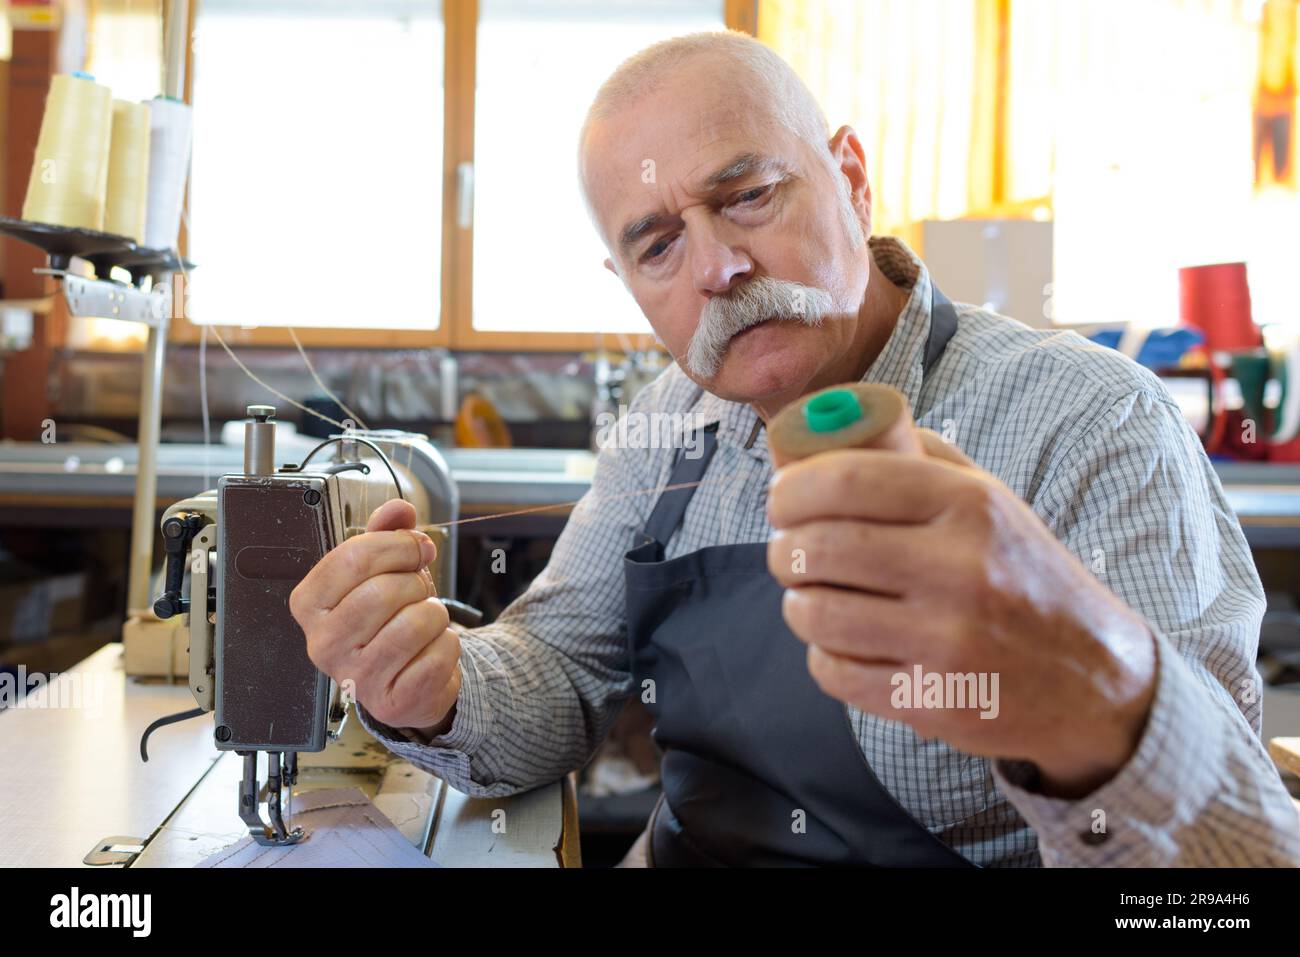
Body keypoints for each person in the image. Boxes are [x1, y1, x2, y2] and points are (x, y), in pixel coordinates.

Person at [289, 31, 1300, 866]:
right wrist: (433, 692)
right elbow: (554, 676)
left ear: (851, 178)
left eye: (746, 198)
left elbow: (1241, 856)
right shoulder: (668, 426)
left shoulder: (1087, 419)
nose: (718, 268)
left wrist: (1098, 701)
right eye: (658, 245)